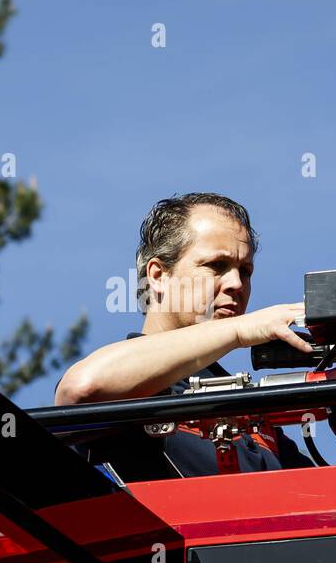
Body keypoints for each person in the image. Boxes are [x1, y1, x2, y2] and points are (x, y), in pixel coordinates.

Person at [55, 192, 315, 480]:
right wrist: (240, 330)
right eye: (216, 266)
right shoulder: (123, 379)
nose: (236, 284)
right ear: (158, 275)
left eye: (246, 270)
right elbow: (81, 389)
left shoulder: (255, 418)